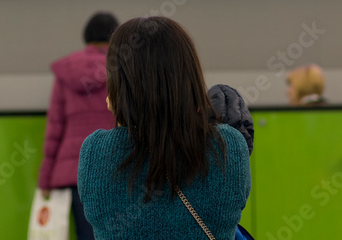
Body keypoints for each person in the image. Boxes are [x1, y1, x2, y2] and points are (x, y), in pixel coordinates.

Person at [78, 17, 251, 240]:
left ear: (119, 86)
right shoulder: (229, 145)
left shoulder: (95, 151)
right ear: (190, 77)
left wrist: (123, 114)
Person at [38, 11, 120, 240]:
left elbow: (55, 128)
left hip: (74, 172)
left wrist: (45, 179)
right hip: (114, 167)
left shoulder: (67, 72)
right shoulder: (120, 68)